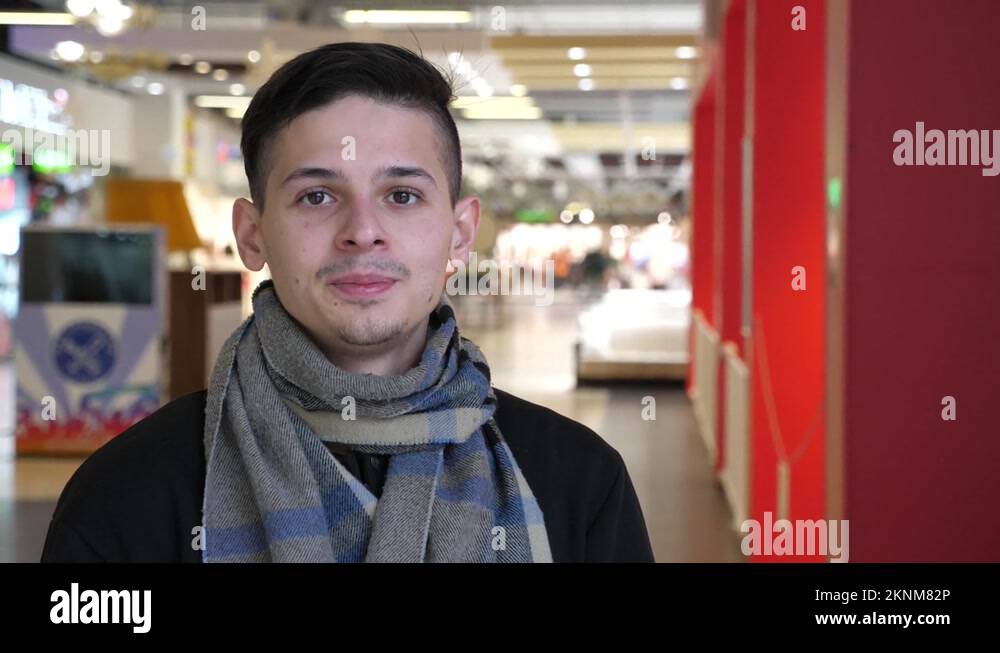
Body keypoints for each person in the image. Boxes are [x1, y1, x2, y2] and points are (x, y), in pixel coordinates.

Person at [40, 42, 654, 563]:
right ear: (252, 235)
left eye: (403, 195)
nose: (363, 229)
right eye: (316, 197)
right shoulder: (129, 494)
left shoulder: (579, 482)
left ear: (460, 233)